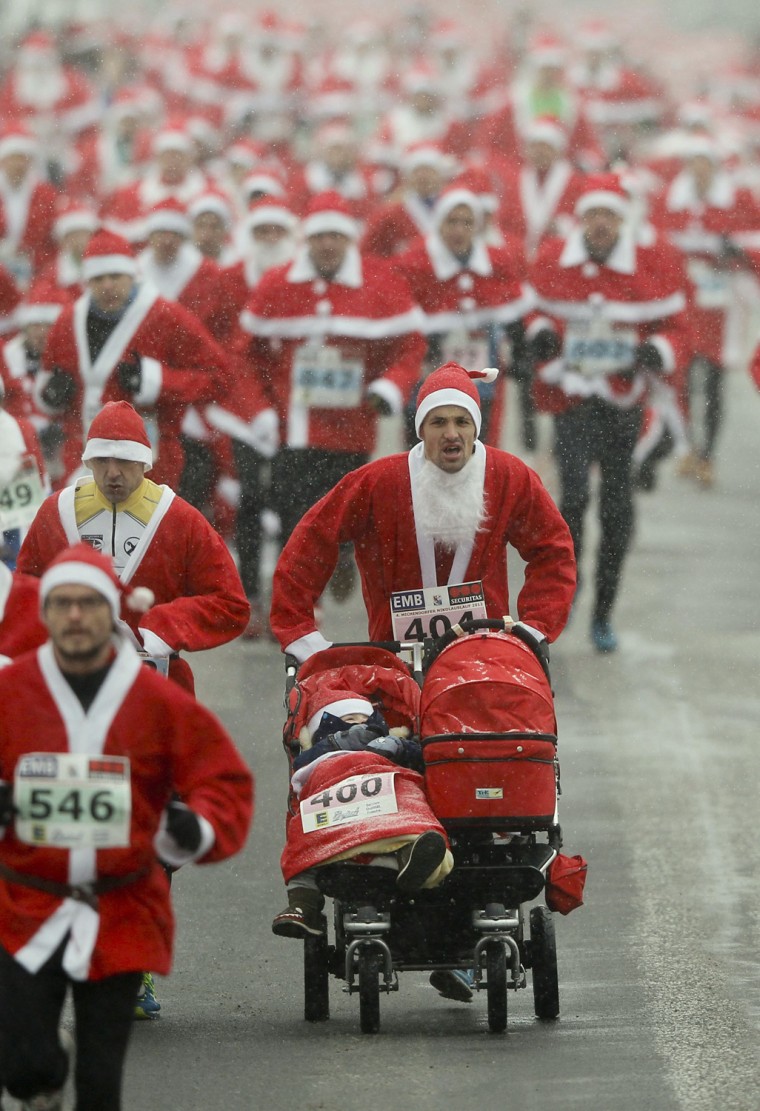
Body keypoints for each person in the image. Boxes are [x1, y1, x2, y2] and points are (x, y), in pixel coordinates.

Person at [0, 542, 253, 1110]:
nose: (73, 617)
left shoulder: (155, 701)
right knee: (22, 1060)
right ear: (42, 615)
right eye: (60, 604)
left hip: (122, 910)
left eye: (88, 604)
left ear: (110, 613)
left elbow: (224, 781)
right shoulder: (11, 694)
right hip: (23, 906)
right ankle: (40, 1079)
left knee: (101, 1078)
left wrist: (198, 828)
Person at [210, 190, 425, 620]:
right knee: (297, 516)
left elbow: (410, 344)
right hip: (295, 427)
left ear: (348, 240)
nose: (327, 245)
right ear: (306, 240)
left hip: (352, 427)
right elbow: (243, 353)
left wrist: (390, 387)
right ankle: (300, 605)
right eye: (319, 236)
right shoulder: (278, 283)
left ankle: (343, 556)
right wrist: (261, 410)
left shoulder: (379, 282)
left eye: (335, 237)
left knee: (347, 512)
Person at [269, 360, 576, 662]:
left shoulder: (509, 476)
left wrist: (536, 626)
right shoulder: (379, 481)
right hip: (394, 663)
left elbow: (553, 550)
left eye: (462, 421)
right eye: (438, 422)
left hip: (486, 663)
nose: (452, 433)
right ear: (421, 430)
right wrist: (298, 630)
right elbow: (312, 538)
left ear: (476, 429)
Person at [529, 173, 689, 652]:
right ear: (580, 220)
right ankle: (567, 590)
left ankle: (603, 611)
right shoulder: (555, 261)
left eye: (610, 216)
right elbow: (533, 309)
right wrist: (540, 333)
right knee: (573, 498)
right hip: (572, 399)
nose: (600, 224)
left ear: (622, 221)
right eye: (593, 215)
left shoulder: (647, 267)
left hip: (624, 406)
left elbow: (675, 326)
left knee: (617, 511)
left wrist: (655, 351)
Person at [17, 401, 250, 695]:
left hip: (156, 687)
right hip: (67, 681)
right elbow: (24, 594)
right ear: (88, 461)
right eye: (102, 460)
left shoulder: (180, 519)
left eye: (125, 461)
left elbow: (231, 605)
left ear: (144, 462)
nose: (112, 472)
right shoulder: (56, 512)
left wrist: (167, 626)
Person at [34, 228, 231, 488]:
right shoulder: (68, 321)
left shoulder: (166, 316)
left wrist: (156, 381)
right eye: (98, 278)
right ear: (87, 281)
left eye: (115, 276)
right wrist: (51, 394)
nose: (107, 285)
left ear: (132, 275)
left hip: (149, 462)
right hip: (82, 458)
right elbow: (47, 385)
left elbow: (220, 377)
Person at [272, 690, 451, 938]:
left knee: (409, 805)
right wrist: (335, 744)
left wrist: (399, 745)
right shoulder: (319, 750)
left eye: (363, 717)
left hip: (387, 781)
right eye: (348, 719)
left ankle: (412, 853)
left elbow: (423, 759)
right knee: (305, 831)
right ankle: (304, 904)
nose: (359, 723)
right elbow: (303, 772)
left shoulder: (391, 740)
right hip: (334, 783)